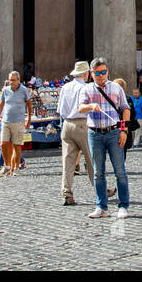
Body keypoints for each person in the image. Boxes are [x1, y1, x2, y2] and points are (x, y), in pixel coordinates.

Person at [81, 57, 130, 218]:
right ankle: (101, 206)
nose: (101, 76)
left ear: (107, 71)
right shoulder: (86, 90)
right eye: (97, 73)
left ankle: (123, 205)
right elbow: (80, 108)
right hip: (95, 133)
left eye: (103, 72)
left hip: (114, 132)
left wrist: (124, 130)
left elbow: (125, 109)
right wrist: (90, 106)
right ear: (91, 74)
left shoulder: (116, 87)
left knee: (120, 171)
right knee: (98, 172)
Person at [57, 61, 92, 204]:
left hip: (67, 124)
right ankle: (101, 190)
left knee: (68, 161)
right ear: (86, 74)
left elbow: (60, 110)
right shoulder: (87, 87)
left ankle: (67, 193)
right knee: (92, 159)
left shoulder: (65, 87)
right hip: (82, 124)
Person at [0, 71, 32, 177]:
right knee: (3, 144)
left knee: (17, 145)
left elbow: (29, 106)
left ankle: (16, 168)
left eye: (13, 80)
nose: (11, 82)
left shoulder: (24, 90)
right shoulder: (5, 90)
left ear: (18, 80)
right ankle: (6, 166)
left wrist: (28, 120)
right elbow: (1, 105)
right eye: (10, 80)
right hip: (6, 121)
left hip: (19, 121)